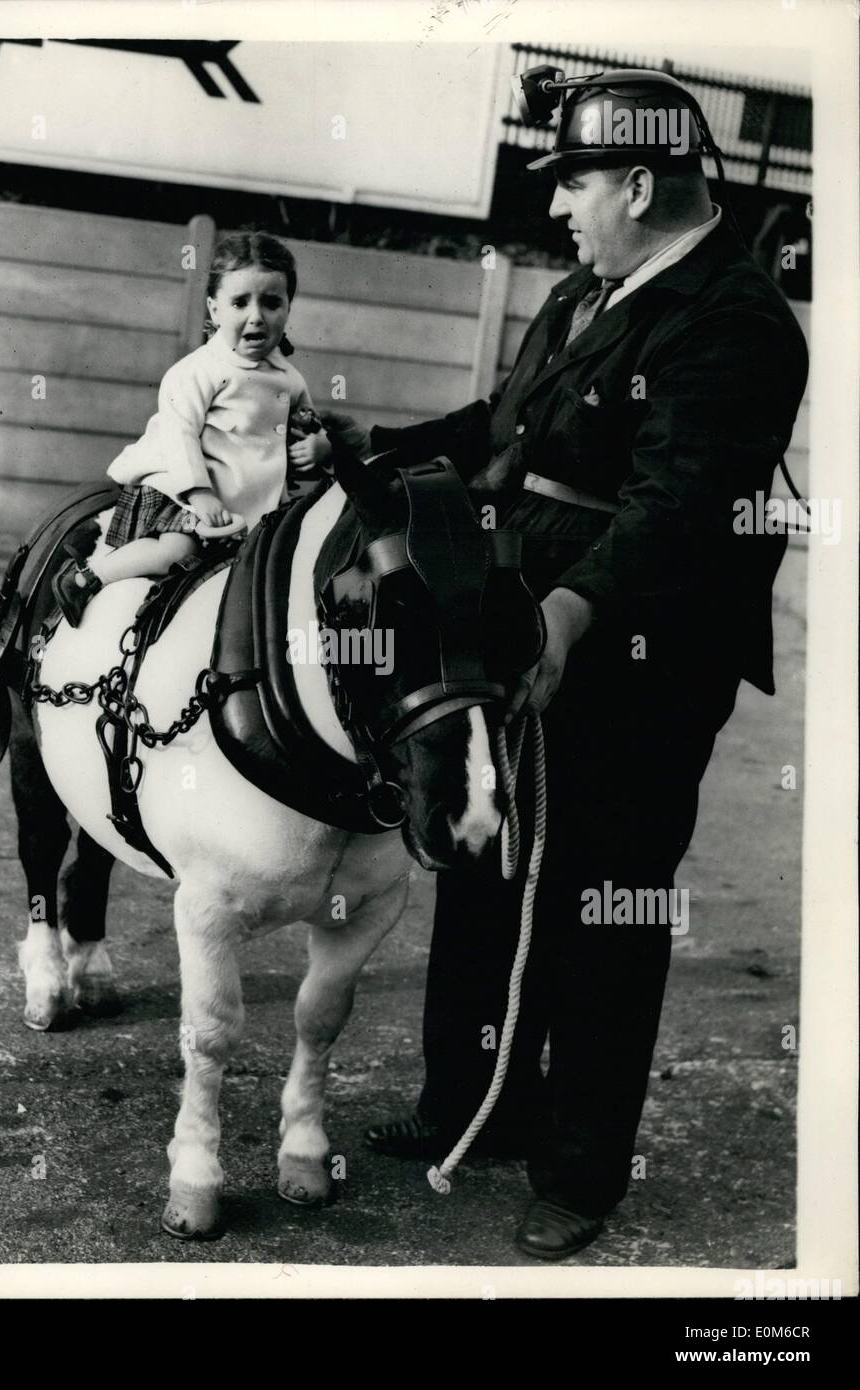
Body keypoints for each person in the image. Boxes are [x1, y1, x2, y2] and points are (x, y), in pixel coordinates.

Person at [356, 70, 809, 1259]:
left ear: (641, 183)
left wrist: (569, 610)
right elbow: (501, 427)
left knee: (605, 901)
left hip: (645, 654)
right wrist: (369, 448)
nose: (559, 209)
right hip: (526, 621)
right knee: (489, 856)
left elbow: (676, 505)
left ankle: (581, 1167)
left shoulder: (738, 322)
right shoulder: (583, 292)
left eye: (574, 184)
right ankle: (473, 1104)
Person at [54, 232, 332, 626]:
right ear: (214, 309)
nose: (256, 317)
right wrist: (200, 494)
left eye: (271, 303)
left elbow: (307, 427)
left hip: (252, 501)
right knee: (174, 551)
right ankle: (86, 578)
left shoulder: (289, 379)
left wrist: (319, 448)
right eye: (240, 303)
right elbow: (178, 434)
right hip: (186, 490)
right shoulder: (199, 371)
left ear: (288, 309)